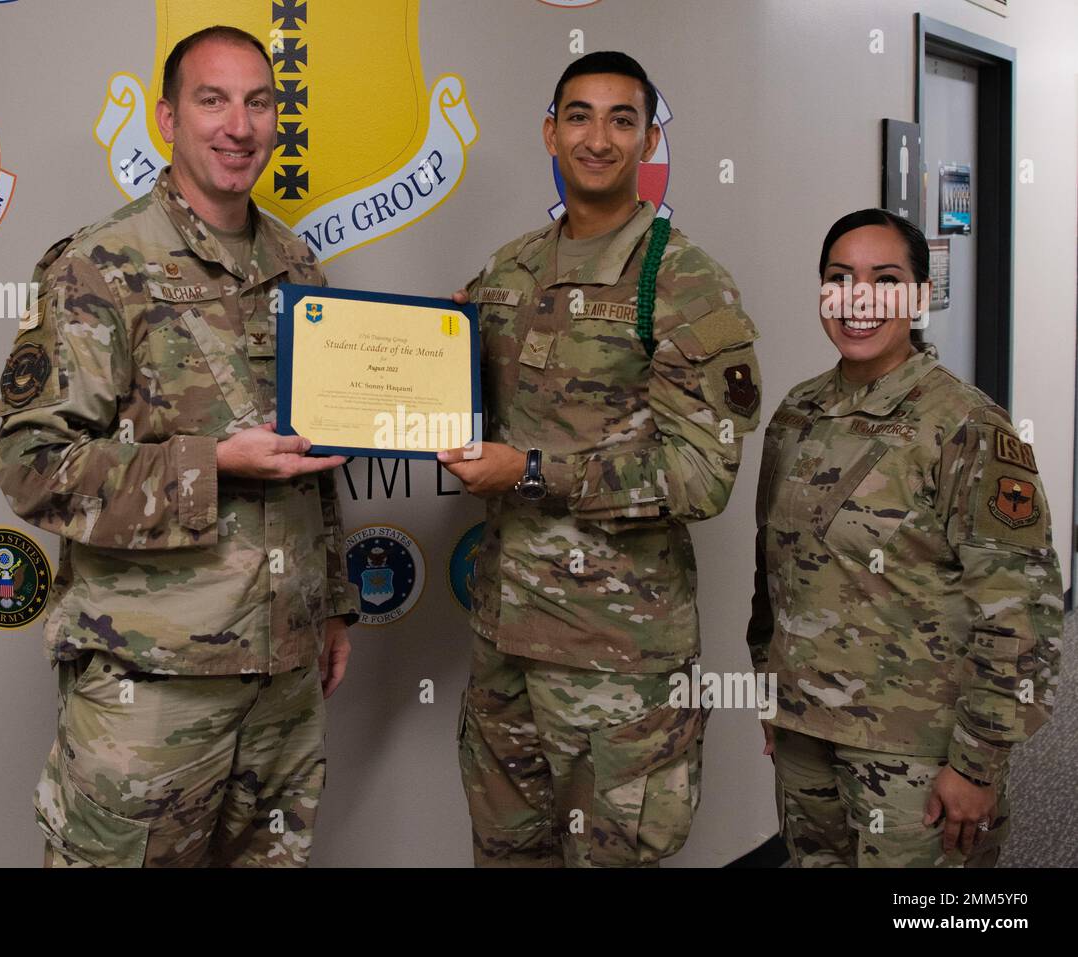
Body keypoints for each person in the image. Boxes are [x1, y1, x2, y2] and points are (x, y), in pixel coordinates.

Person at [0, 25, 358, 868]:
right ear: (167, 119)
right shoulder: (97, 266)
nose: (240, 125)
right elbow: (34, 467)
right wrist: (214, 465)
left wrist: (333, 600)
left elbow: (317, 462)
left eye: (259, 103)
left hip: (284, 680)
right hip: (151, 683)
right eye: (213, 100)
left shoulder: (299, 268)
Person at [440, 51, 763, 867]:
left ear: (649, 140)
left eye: (623, 119)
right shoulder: (509, 271)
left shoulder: (685, 284)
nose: (598, 137)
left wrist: (535, 471)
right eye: (579, 116)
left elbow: (700, 478)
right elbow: (453, 392)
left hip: (618, 667)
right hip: (504, 644)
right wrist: (423, 354)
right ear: (551, 130)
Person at [746, 208, 1063, 867]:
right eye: (840, 277)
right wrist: (769, 689)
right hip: (807, 736)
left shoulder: (967, 425)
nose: (859, 297)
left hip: (916, 753)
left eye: (884, 278)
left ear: (918, 295)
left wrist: (977, 763)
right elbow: (772, 568)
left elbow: (1022, 613)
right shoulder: (797, 414)